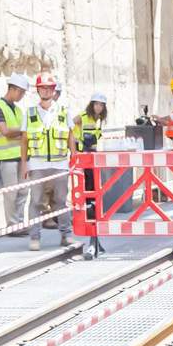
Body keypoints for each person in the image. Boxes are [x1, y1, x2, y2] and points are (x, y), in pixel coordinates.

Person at [23, 73, 72, 251]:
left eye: (49, 88)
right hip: (37, 164)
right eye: (42, 88)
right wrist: (24, 164)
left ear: (54, 90)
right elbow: (24, 140)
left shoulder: (64, 111)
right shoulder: (30, 113)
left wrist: (74, 157)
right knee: (36, 201)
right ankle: (35, 237)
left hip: (60, 164)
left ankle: (66, 235)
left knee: (61, 201)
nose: (46, 91)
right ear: (38, 90)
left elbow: (71, 136)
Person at [0, 72, 31, 236]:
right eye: (21, 92)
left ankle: (19, 223)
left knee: (23, 191)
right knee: (11, 193)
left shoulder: (18, 110)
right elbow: (5, 131)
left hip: (22, 157)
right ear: (12, 89)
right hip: (6, 159)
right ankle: (12, 225)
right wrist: (22, 131)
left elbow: (23, 133)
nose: (22, 96)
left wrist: (22, 133)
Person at [70, 92, 108, 258]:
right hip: (83, 157)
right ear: (91, 105)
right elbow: (70, 129)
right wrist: (74, 153)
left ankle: (92, 215)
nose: (98, 107)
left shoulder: (98, 120)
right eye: (96, 104)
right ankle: (88, 214)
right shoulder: (83, 117)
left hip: (92, 157)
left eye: (101, 105)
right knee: (87, 190)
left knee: (93, 190)